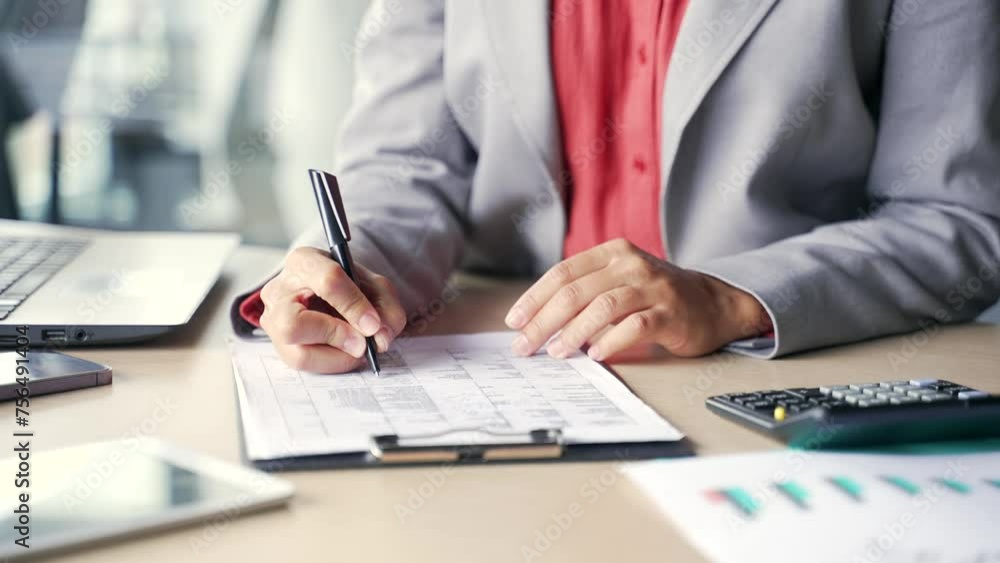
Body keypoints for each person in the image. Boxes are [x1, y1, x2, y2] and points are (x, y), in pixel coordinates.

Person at [232, 0, 1000, 373]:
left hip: (773, 371)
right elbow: (406, 165)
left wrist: (731, 297)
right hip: (511, 362)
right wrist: (347, 274)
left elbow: (960, 216)